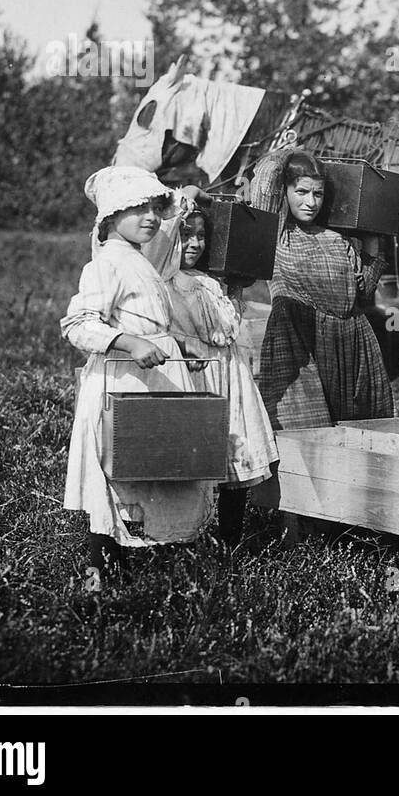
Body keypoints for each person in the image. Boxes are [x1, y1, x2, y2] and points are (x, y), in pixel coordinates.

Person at [62, 166, 217, 588]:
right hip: (125, 382)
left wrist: (180, 348)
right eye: (137, 208)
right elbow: (78, 324)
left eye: (153, 207)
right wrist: (127, 342)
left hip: (159, 378)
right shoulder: (106, 264)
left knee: (162, 466)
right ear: (111, 216)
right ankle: (104, 566)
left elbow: (151, 323)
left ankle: (156, 561)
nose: (150, 216)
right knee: (122, 472)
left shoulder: (141, 260)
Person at [249, 148, 394, 431]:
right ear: (285, 191)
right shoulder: (277, 234)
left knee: (360, 433)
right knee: (305, 433)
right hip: (299, 341)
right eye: (301, 192)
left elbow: (364, 293)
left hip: (352, 343)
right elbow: (265, 180)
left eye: (318, 194)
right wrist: (296, 153)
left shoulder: (338, 240)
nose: (310, 202)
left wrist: (374, 238)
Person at [166, 204, 278, 547]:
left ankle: (230, 541)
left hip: (228, 373)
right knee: (195, 461)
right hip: (194, 375)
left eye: (201, 236)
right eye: (186, 235)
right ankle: (185, 538)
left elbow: (227, 327)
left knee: (235, 455)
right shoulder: (165, 284)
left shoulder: (212, 282)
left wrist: (234, 291)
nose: (195, 244)